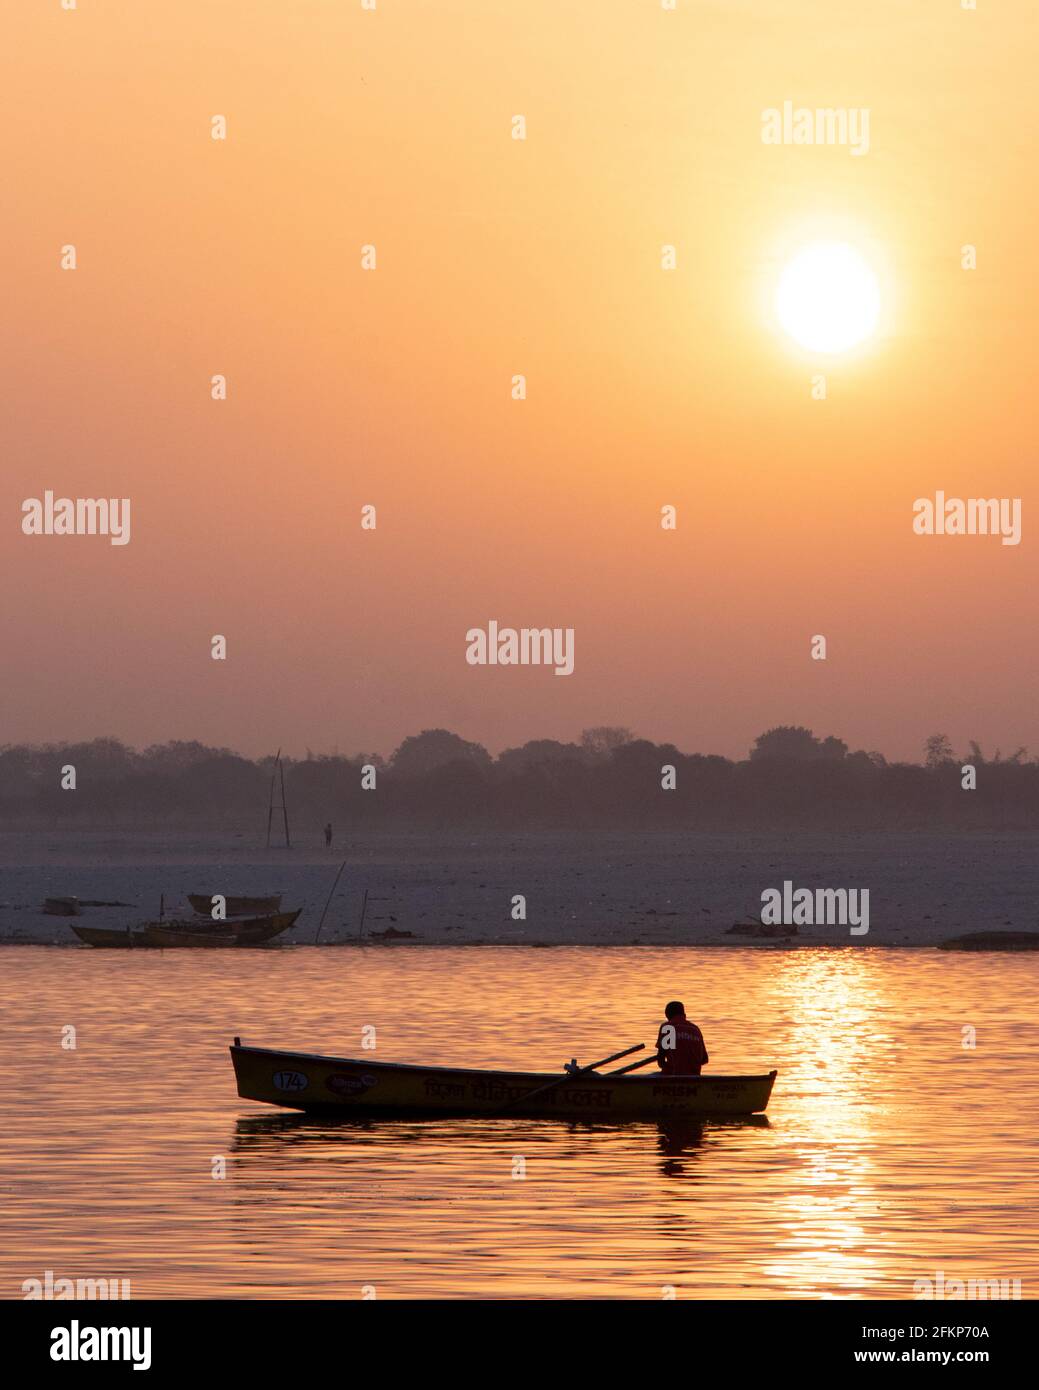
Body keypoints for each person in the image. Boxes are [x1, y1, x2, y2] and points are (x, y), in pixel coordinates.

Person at [655, 1001, 708, 1076]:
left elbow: (661, 1060)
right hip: (694, 1077)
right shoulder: (695, 1029)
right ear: (684, 1015)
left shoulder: (668, 1027)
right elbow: (704, 1059)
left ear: (667, 1015)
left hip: (673, 1076)